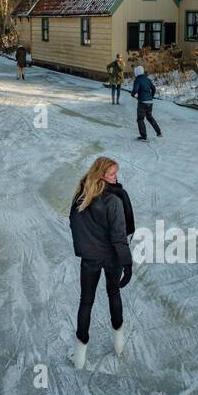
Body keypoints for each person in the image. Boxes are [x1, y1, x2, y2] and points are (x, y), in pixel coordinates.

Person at [68, 156, 134, 368]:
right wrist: (127, 263)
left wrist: (87, 249)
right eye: (112, 173)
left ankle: (79, 357)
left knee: (85, 301)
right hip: (111, 257)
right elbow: (119, 235)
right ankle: (119, 345)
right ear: (101, 174)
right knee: (113, 294)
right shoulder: (114, 200)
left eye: (116, 173)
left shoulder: (82, 194)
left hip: (90, 258)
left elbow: (75, 226)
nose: (116, 177)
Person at [130, 65, 162, 141]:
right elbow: (153, 88)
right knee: (149, 117)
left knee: (140, 119)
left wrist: (133, 94)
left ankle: (143, 136)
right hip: (150, 102)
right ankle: (159, 132)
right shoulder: (147, 79)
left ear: (137, 72)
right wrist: (151, 96)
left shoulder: (138, 80)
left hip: (142, 102)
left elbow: (135, 90)